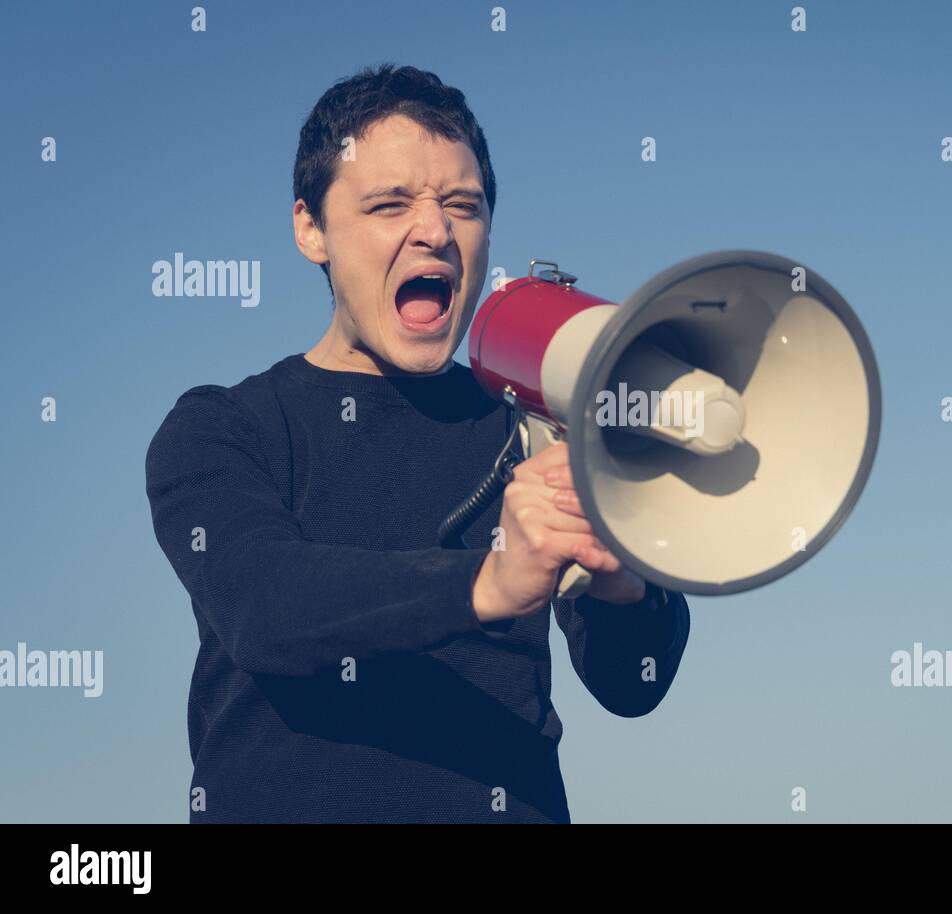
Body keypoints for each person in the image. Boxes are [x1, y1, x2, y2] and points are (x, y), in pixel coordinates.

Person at [144, 64, 691, 823]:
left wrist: (624, 582)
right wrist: (490, 584)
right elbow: (263, 608)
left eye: (462, 205)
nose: (434, 230)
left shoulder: (526, 428)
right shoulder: (222, 428)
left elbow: (635, 684)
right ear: (311, 229)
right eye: (388, 203)